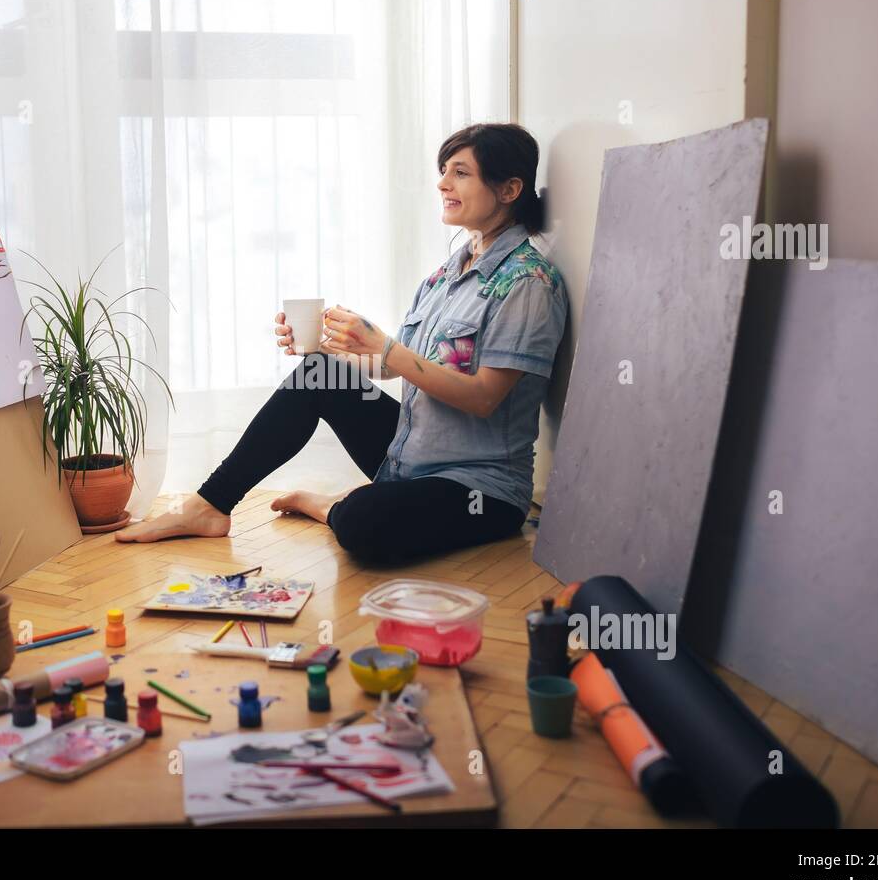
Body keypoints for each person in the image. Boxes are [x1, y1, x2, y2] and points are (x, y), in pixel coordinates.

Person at [116, 122, 568, 565]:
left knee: (362, 524)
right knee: (318, 373)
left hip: (479, 488)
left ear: (509, 189)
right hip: (409, 459)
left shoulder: (528, 282)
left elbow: (485, 397)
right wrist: (333, 347)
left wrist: (385, 346)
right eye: (444, 170)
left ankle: (331, 505)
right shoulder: (445, 275)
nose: (442, 182)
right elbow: (397, 369)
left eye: (460, 173)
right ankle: (210, 505)